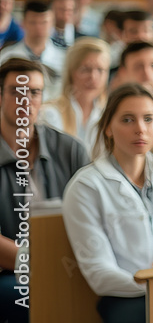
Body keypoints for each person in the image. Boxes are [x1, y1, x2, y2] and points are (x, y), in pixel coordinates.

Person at [62, 84, 153, 323]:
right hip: (124, 297)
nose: (140, 129)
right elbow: (99, 273)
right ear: (107, 128)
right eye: (127, 120)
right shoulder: (86, 186)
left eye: (149, 119)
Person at [1, 59, 88, 323]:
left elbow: (95, 211)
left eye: (34, 92)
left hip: (67, 262)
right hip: (9, 271)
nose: (25, 100)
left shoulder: (70, 149)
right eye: (16, 91)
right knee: (27, 294)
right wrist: (34, 262)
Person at [40, 38, 111, 150]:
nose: (93, 77)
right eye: (85, 69)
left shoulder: (111, 114)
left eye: (100, 70)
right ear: (71, 72)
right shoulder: (50, 114)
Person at [0, 0, 67, 101]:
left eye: (44, 22)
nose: (39, 27)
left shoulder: (64, 58)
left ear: (52, 23)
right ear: (23, 23)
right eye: (33, 22)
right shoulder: (7, 56)